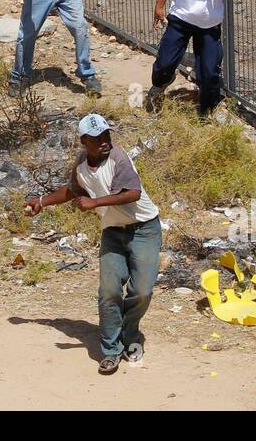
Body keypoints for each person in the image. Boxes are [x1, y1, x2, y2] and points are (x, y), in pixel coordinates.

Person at [24, 113, 161, 376]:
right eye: (97, 138)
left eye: (106, 135)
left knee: (142, 291)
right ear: (84, 141)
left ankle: (130, 334)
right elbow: (72, 191)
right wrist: (42, 201)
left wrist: (95, 203)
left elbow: (133, 193)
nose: (104, 142)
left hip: (144, 229)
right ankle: (111, 350)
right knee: (109, 291)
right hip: (112, 232)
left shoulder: (119, 158)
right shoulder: (81, 165)